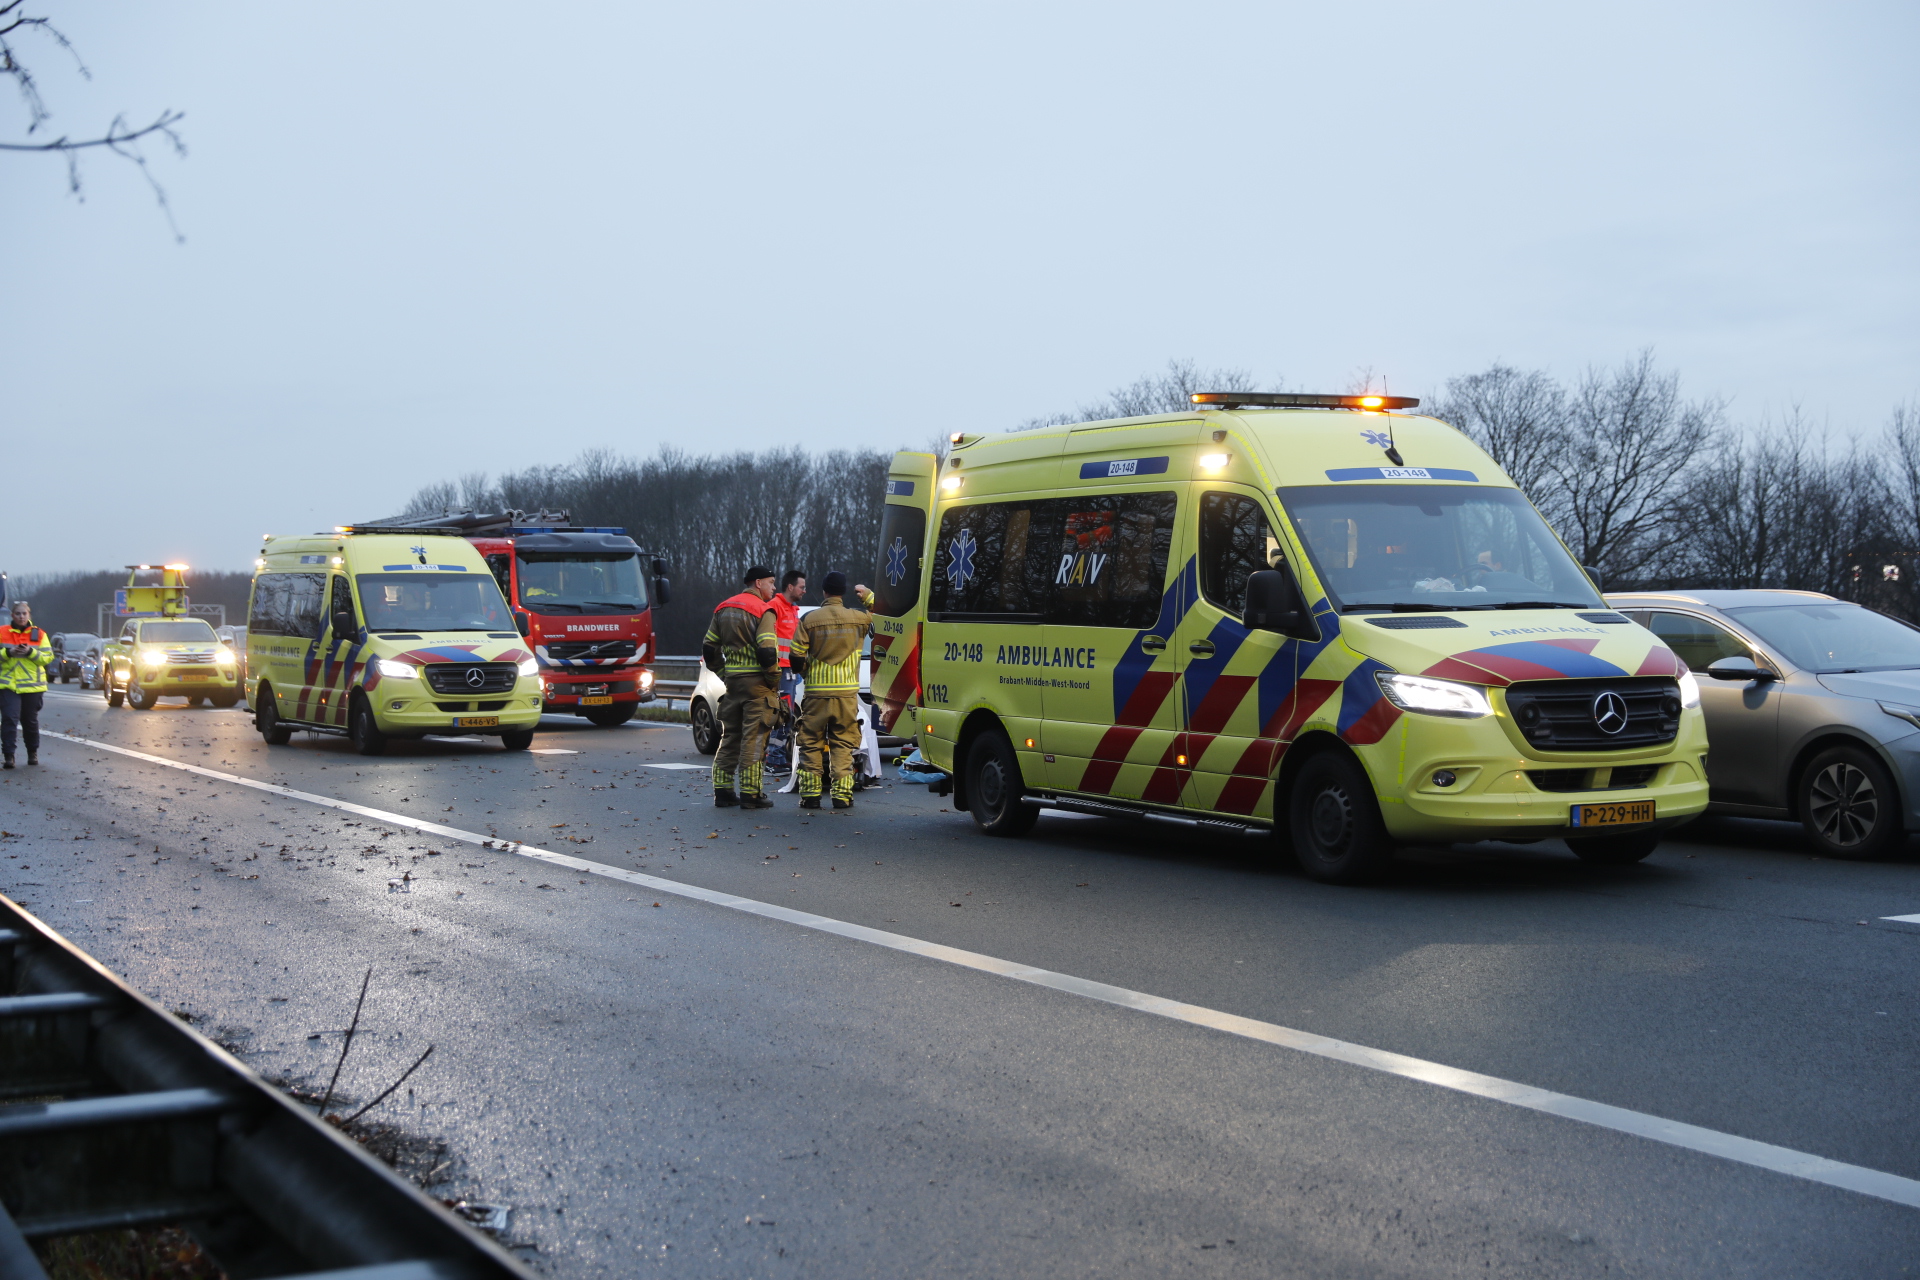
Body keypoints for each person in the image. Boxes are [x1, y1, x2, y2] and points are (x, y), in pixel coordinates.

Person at [787, 571, 873, 810]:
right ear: (843, 592)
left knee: (811, 744)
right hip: (846, 695)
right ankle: (842, 797)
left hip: (816, 695)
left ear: (824, 592)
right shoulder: (858, 618)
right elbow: (885, 617)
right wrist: (868, 597)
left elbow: (795, 657)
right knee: (843, 745)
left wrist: (806, 671)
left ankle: (811, 796)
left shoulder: (809, 620)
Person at [702, 566, 782, 809]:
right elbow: (767, 651)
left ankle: (723, 792)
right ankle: (751, 794)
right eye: (770, 582)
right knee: (754, 739)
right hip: (757, 685)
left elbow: (709, 648)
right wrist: (773, 680)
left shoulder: (722, 608)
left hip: (733, 684)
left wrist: (725, 674)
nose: (774, 587)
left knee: (731, 738)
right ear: (758, 583)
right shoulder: (764, 610)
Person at [0, 600, 53, 769]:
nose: (21, 616)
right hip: (9, 685)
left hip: (32, 686)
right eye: (18, 614)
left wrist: (30, 652)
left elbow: (47, 658)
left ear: (29, 615)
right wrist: (9, 652)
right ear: (12, 615)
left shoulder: (39, 634)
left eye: (24, 614)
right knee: (9, 719)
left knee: (29, 721)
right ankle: (9, 756)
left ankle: (32, 752)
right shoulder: (2, 632)